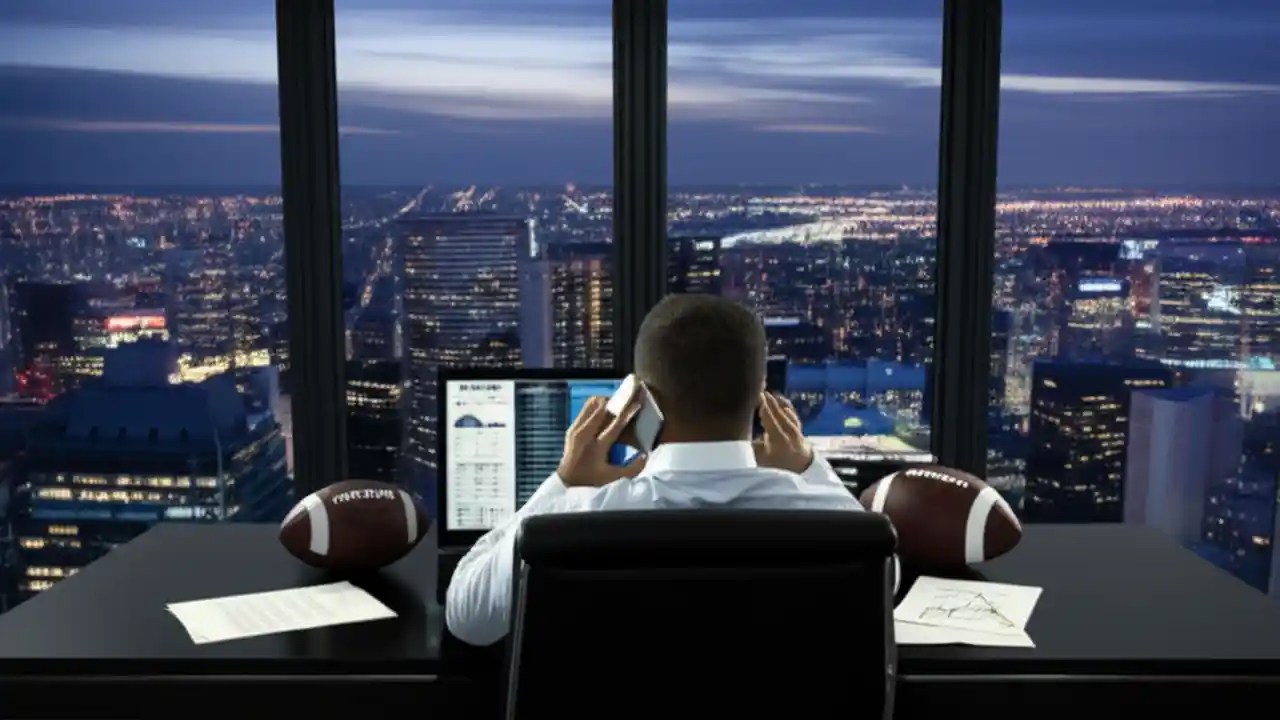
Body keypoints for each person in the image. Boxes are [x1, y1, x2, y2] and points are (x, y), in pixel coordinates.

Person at [445, 294, 863, 646]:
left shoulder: (573, 523)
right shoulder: (836, 530)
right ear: (760, 392)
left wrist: (564, 482)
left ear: (638, 399)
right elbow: (886, 576)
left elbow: (467, 617)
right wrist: (808, 470)